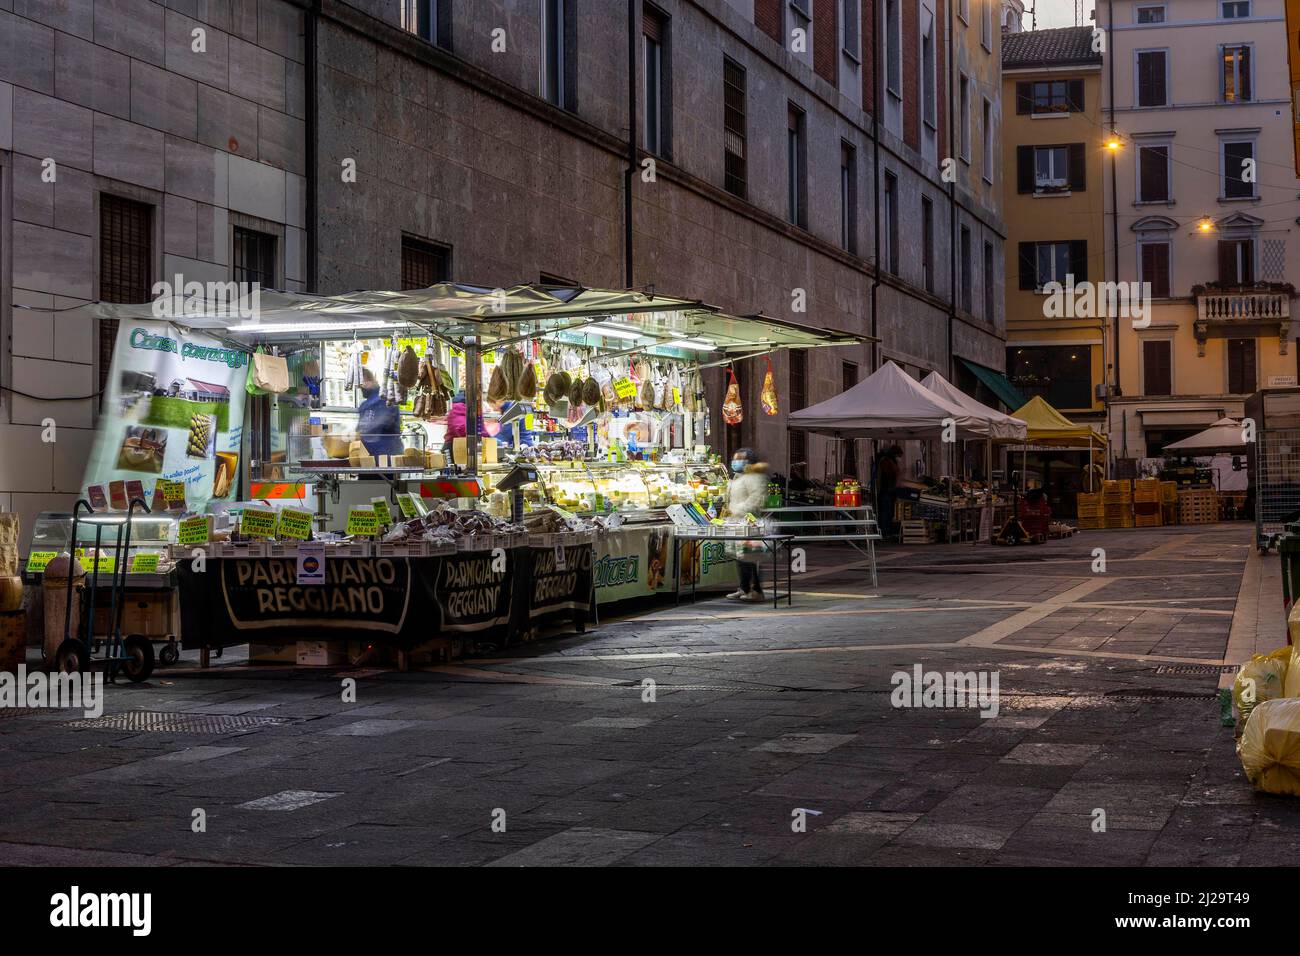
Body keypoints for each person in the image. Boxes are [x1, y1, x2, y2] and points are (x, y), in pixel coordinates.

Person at [724, 447, 770, 603]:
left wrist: (737, 510)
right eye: (735, 458)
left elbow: (757, 499)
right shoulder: (738, 477)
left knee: (751, 557)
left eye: (740, 459)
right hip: (737, 522)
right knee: (741, 557)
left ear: (749, 461)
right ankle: (744, 587)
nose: (736, 461)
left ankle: (757, 590)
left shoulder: (755, 477)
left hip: (750, 522)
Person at [356, 368, 402, 460]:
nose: (361, 388)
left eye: (363, 383)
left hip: (386, 455)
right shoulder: (365, 404)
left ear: (369, 381)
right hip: (369, 456)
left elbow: (379, 423)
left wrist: (360, 433)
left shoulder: (384, 399)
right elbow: (361, 428)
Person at [876, 445, 902, 538]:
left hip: (888, 490)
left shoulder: (888, 460)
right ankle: (885, 531)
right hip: (886, 490)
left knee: (888, 511)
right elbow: (891, 474)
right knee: (886, 512)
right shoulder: (886, 461)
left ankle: (886, 530)